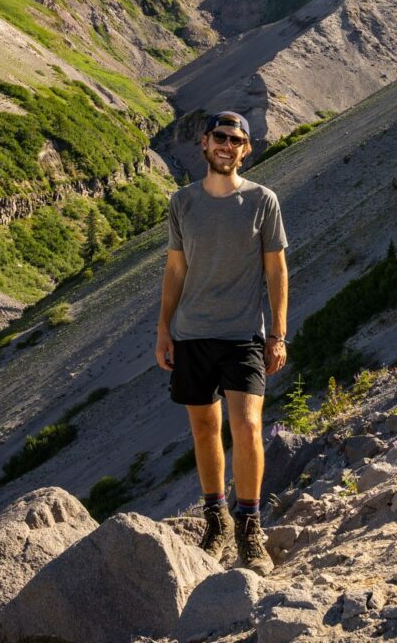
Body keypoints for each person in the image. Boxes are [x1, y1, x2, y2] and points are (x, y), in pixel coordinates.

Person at [156, 111, 287, 575]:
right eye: (220, 137)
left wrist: (278, 333)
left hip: (243, 335)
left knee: (248, 427)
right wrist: (163, 329)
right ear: (205, 143)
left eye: (236, 140)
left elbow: (276, 270)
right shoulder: (182, 202)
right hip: (191, 333)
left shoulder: (262, 201)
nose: (227, 146)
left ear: (246, 149)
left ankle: (251, 526)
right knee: (205, 430)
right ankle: (218, 520)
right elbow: (175, 269)